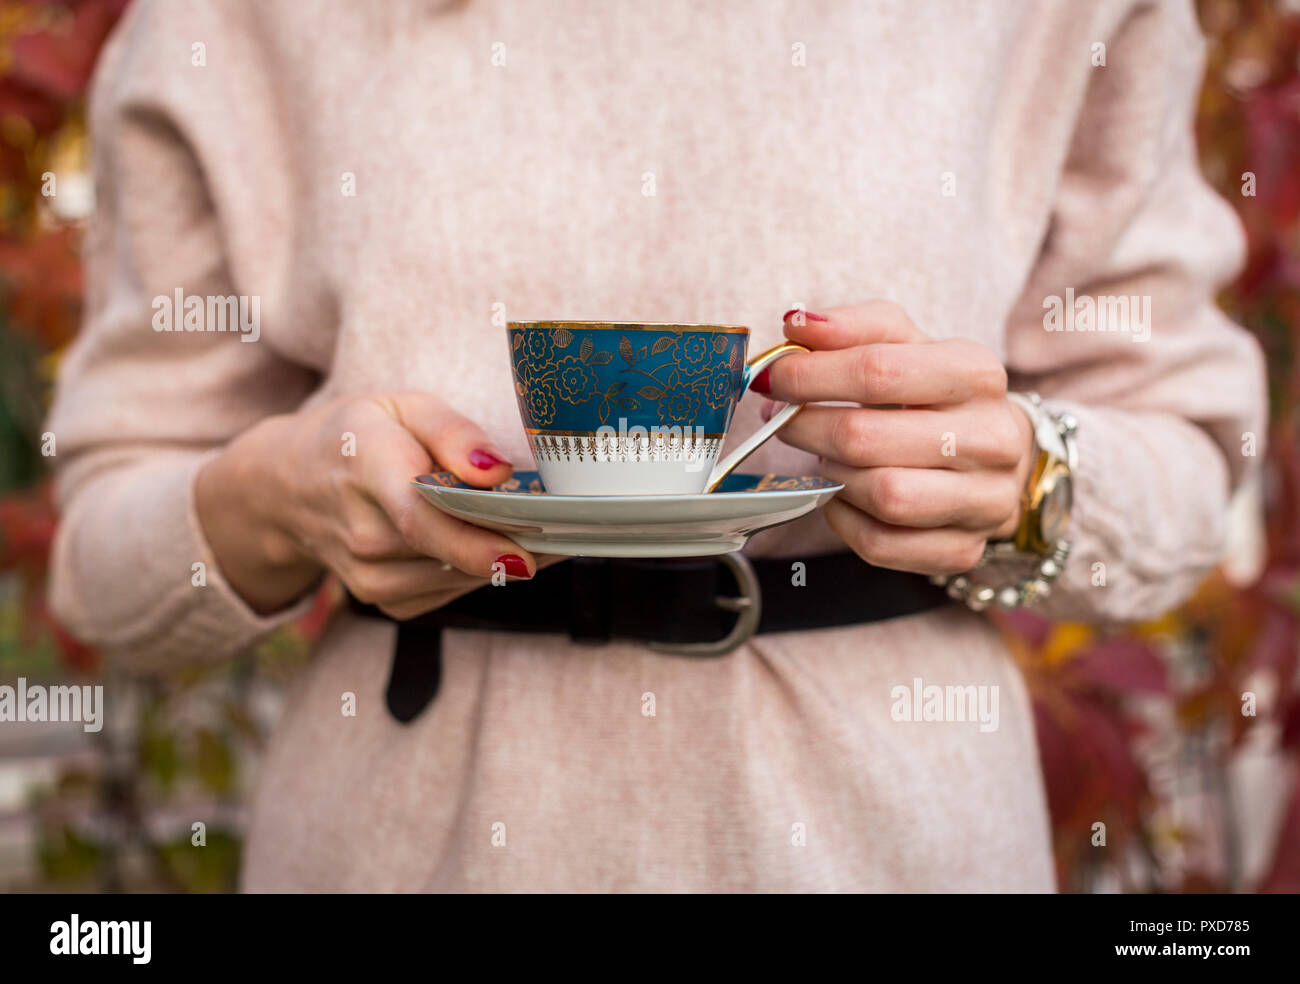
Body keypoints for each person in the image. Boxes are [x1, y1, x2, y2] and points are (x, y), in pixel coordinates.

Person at [46, 0, 1265, 891]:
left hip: (897, 839)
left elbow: (1185, 456)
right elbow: (109, 565)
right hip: (403, 838)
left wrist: (1030, 475)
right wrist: (273, 501)